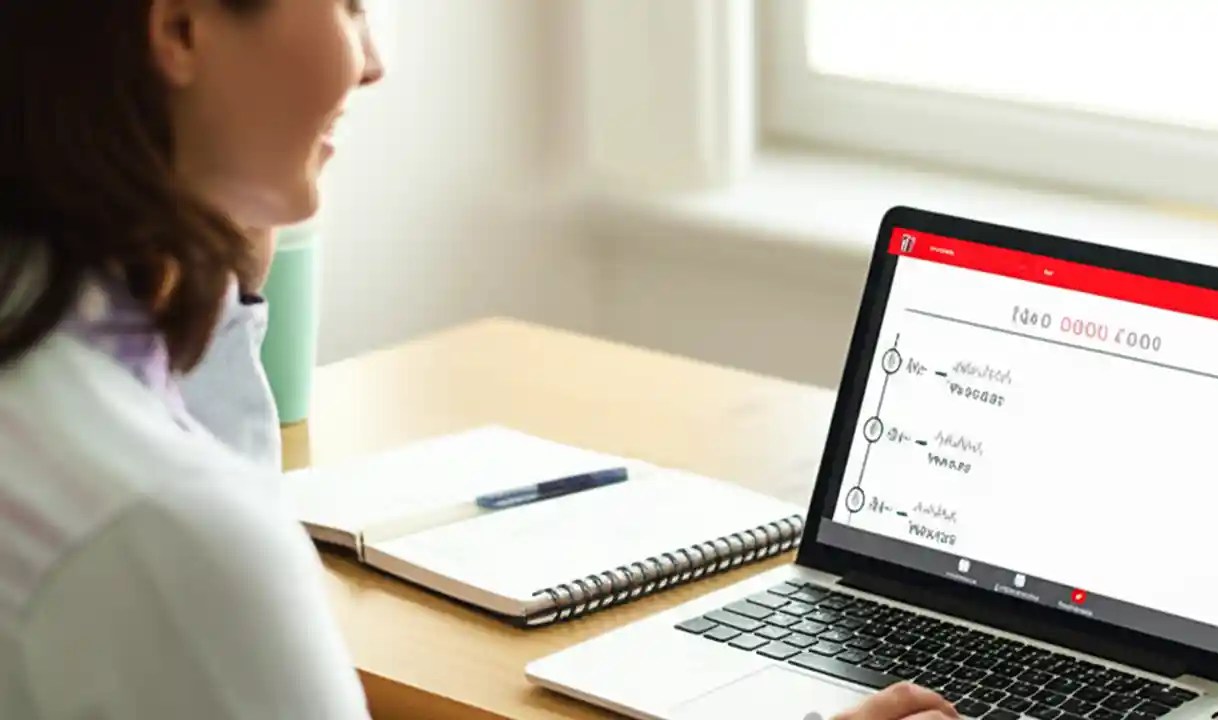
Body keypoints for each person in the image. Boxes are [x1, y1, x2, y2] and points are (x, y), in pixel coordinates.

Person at [0, 2, 958, 719]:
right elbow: (190, 550)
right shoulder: (165, 538)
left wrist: (222, 294)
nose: (371, 61)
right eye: (344, 3)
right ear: (179, 30)